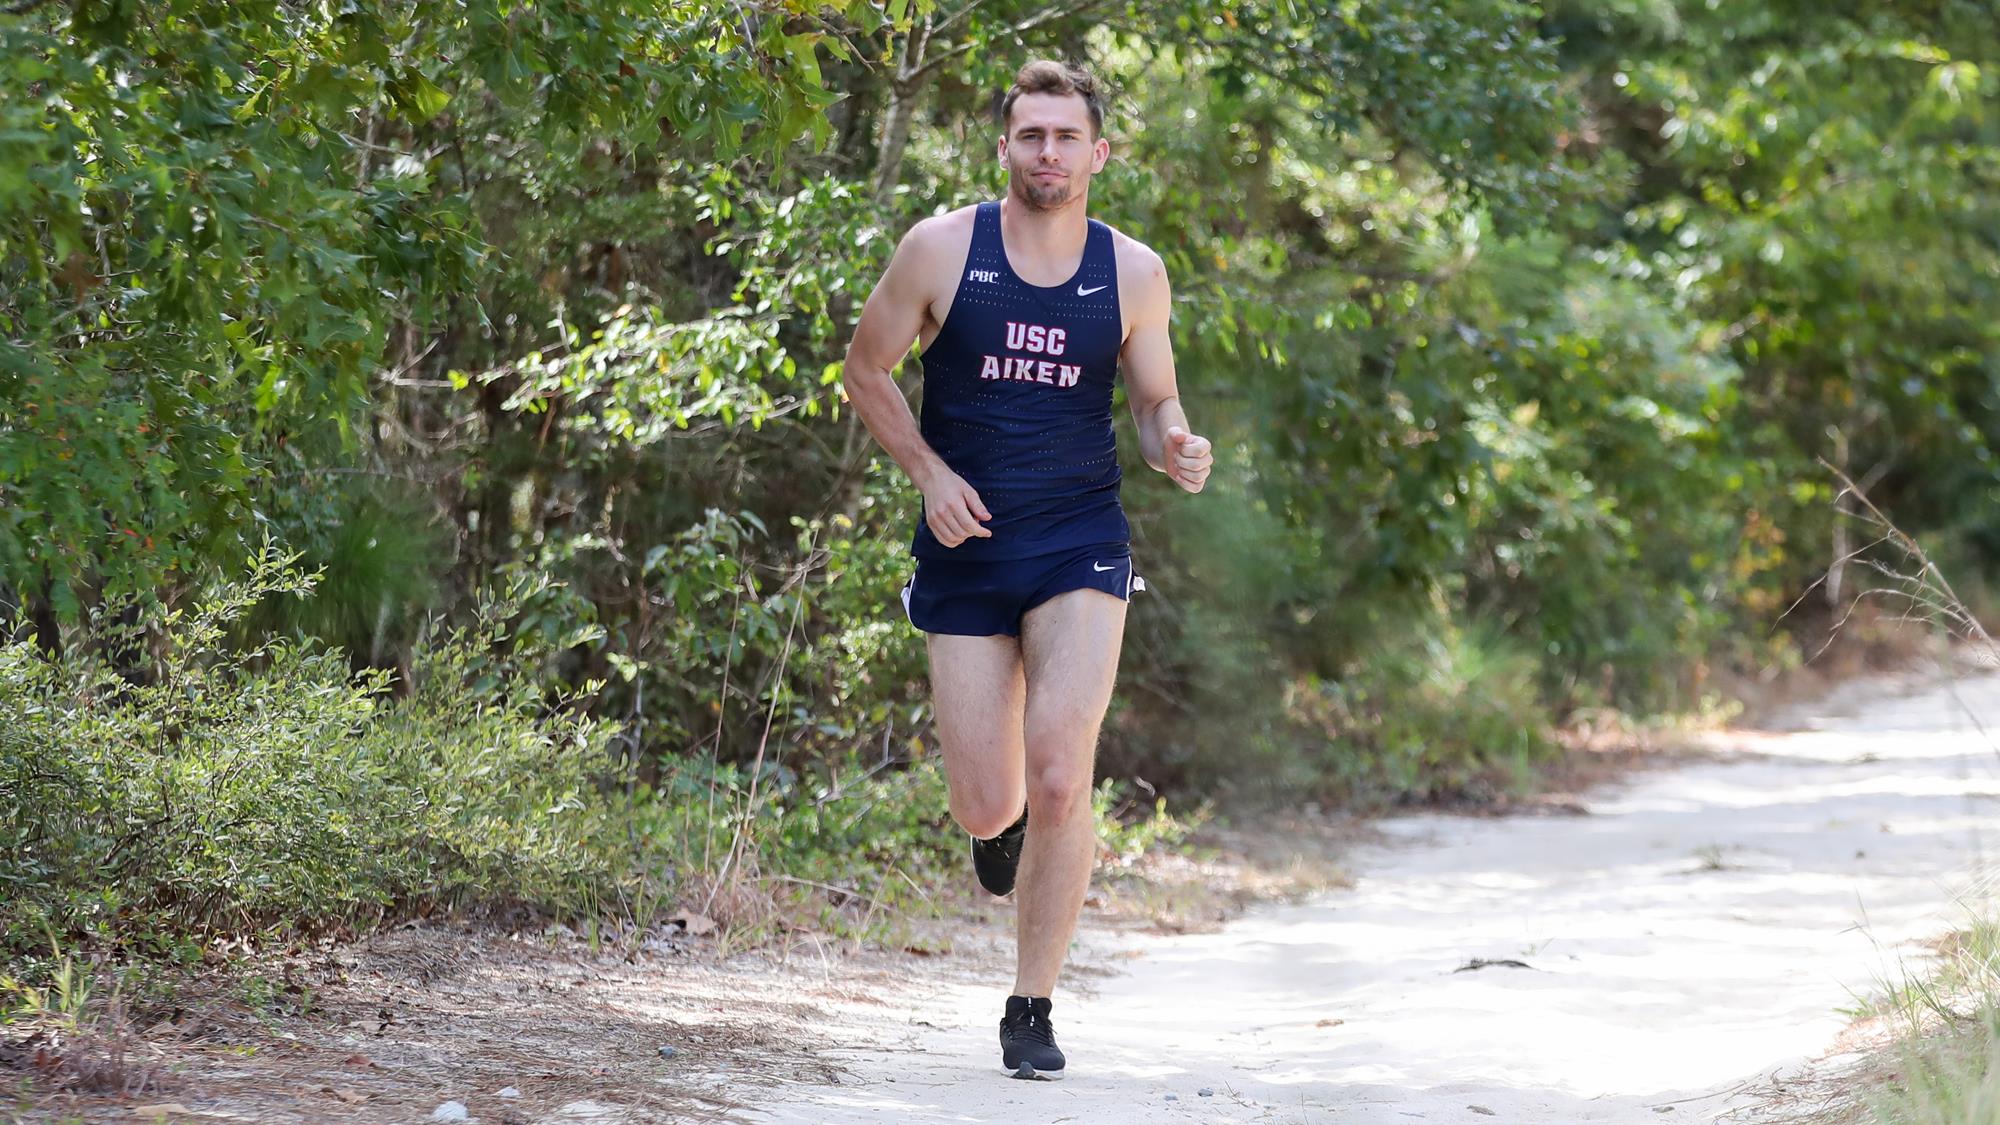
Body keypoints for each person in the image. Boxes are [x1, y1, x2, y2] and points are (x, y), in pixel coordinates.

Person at [839, 58, 1213, 1080]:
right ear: (1003, 147)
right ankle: (991, 833)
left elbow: (1149, 402)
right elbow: (863, 370)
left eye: (1065, 136)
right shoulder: (940, 250)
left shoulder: (1130, 270)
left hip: (1076, 538)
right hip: (964, 543)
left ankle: (1030, 1005)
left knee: (1059, 772)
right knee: (984, 802)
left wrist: (1173, 441)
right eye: (1029, 135)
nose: (1047, 153)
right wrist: (926, 473)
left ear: (1098, 152)